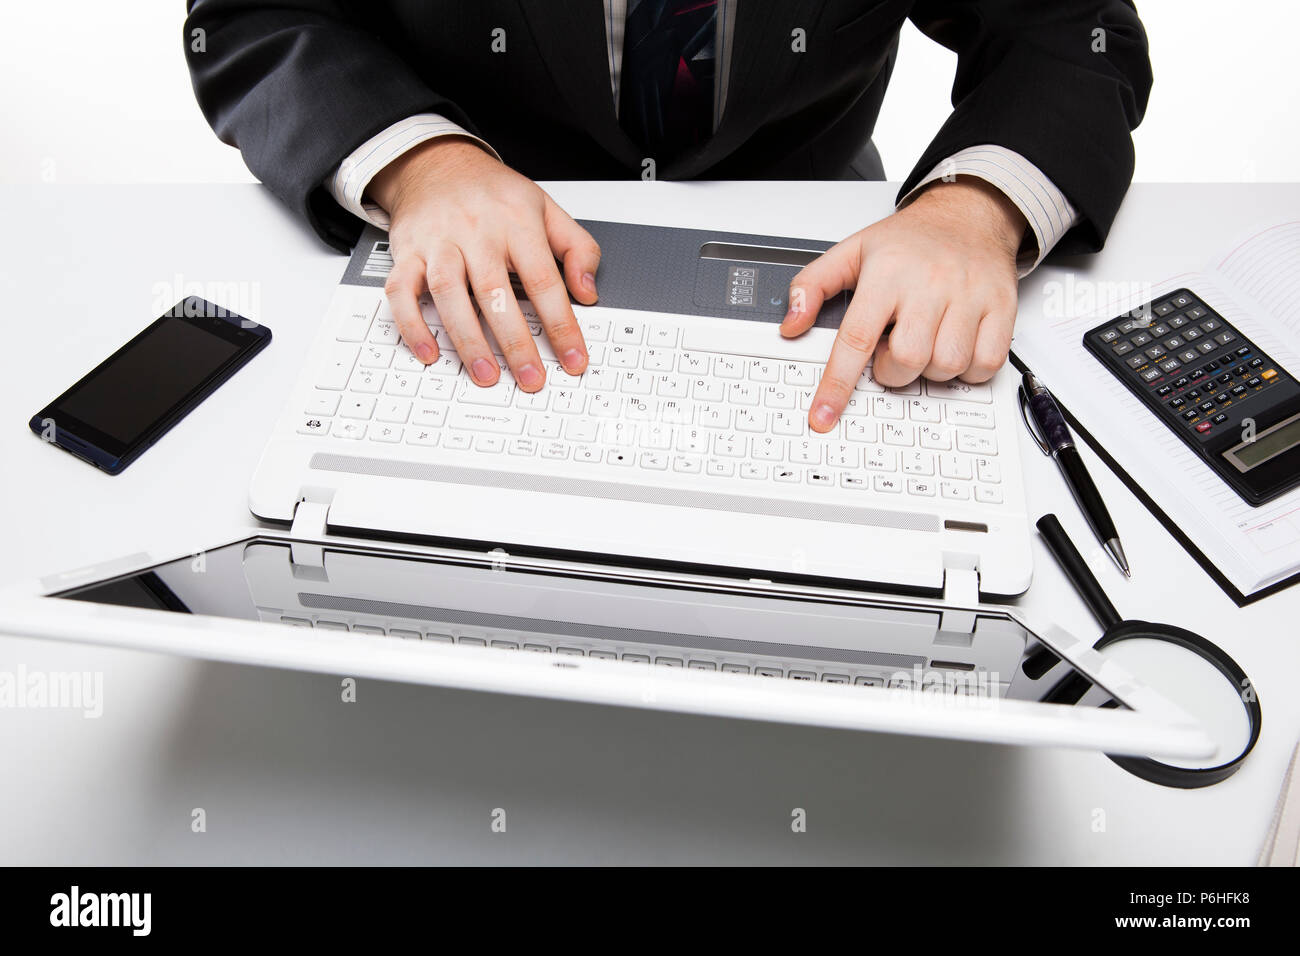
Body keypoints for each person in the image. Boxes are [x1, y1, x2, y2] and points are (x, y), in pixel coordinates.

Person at [185, 0, 1151, 432]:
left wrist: (972, 215)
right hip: (471, 277)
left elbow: (1073, 32)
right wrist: (421, 162)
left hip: (810, 266)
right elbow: (253, 11)